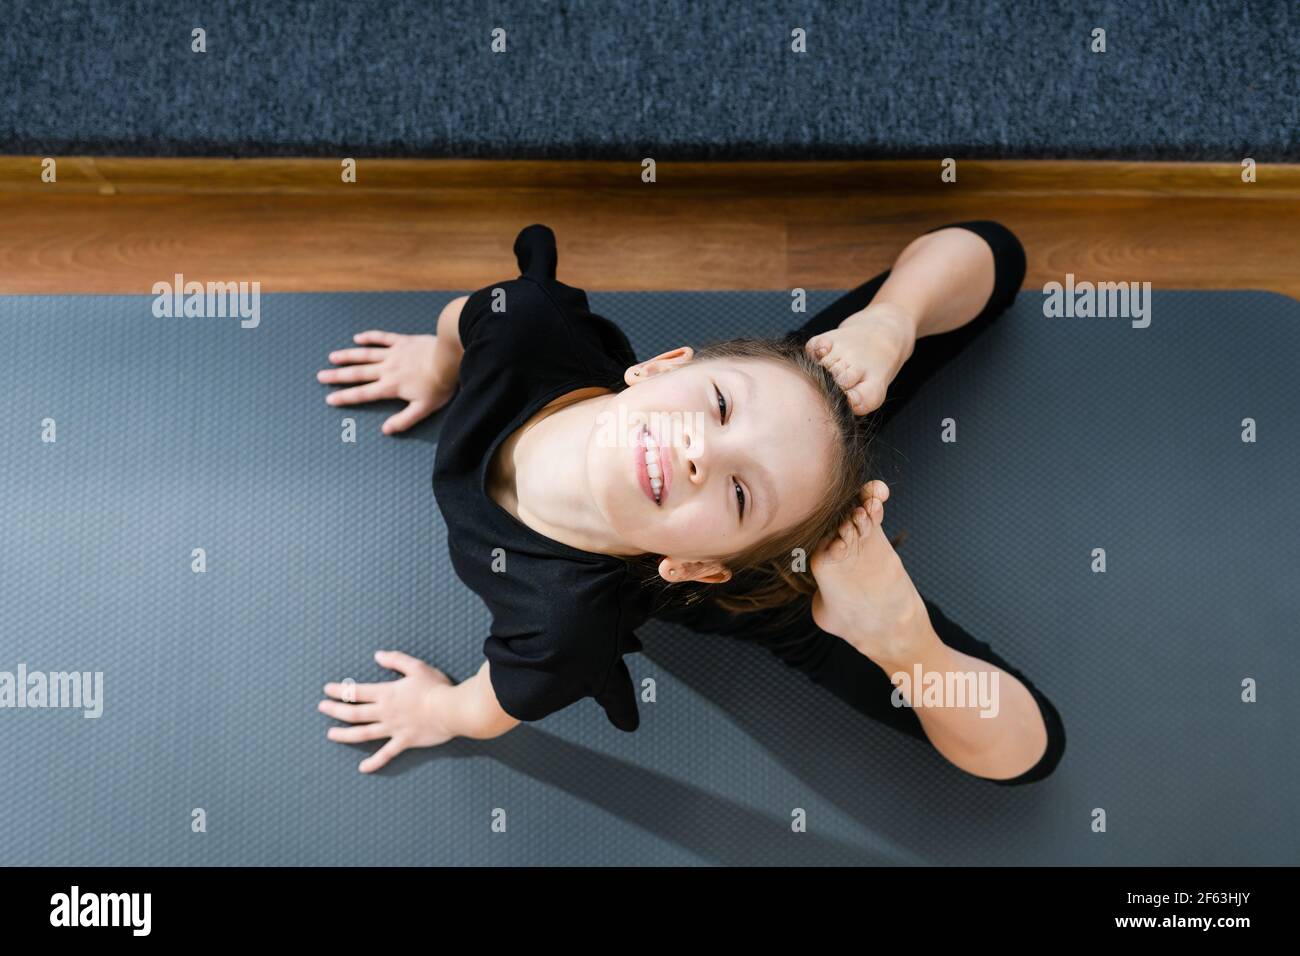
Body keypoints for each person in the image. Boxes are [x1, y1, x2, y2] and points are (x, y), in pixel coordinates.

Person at [314, 221, 1064, 785]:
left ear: (703, 567)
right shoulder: (525, 327)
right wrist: (888, 323)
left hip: (788, 576)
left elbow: (1028, 751)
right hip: (802, 413)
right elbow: (465, 319)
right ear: (658, 368)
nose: (704, 448)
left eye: (740, 491)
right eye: (717, 405)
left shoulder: (562, 625)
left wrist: (905, 643)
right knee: (817, 398)